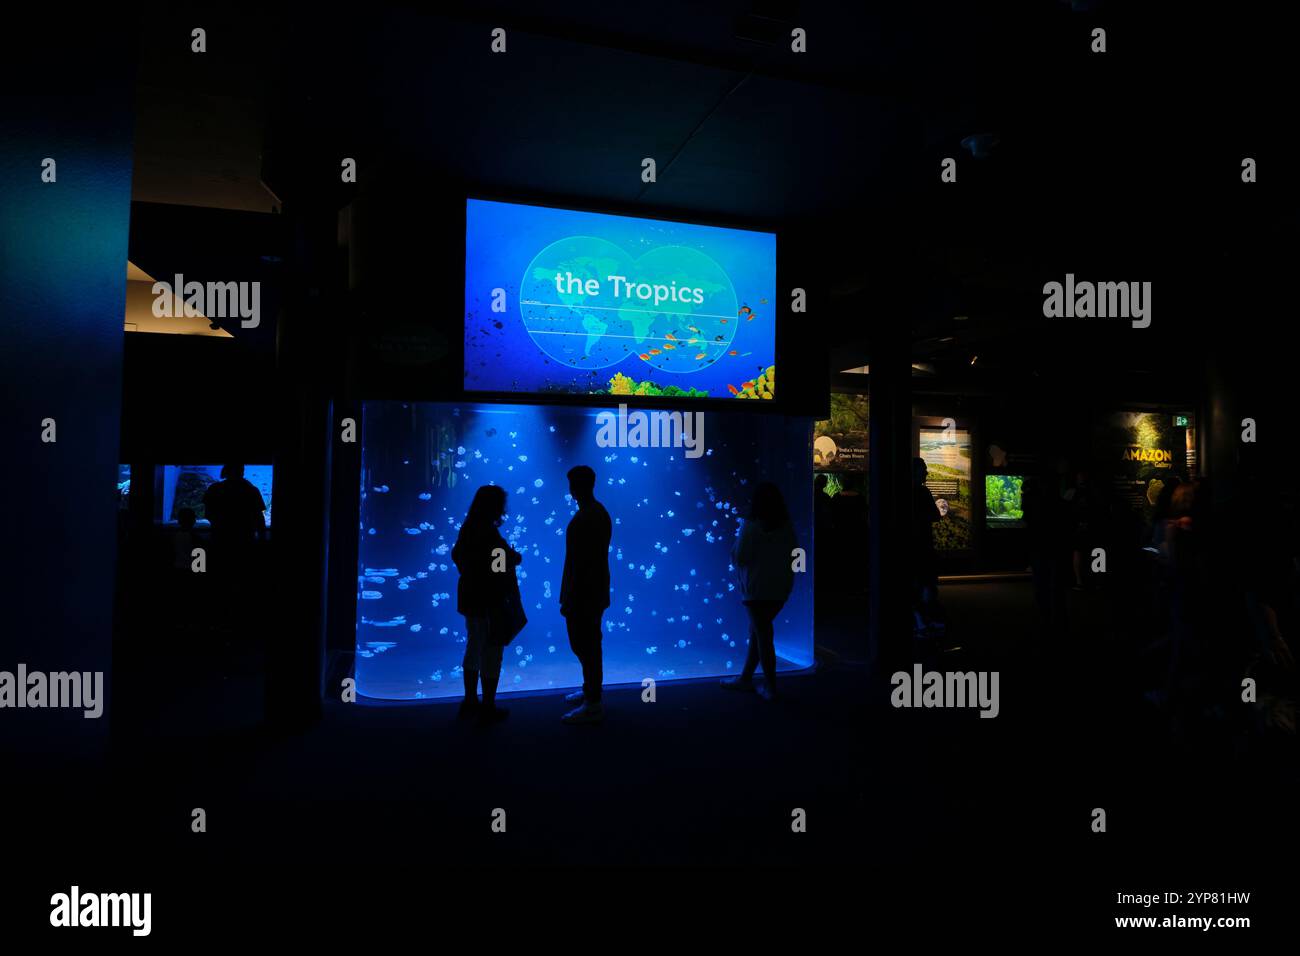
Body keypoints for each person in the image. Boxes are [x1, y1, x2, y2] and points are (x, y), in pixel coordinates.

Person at [721, 481, 798, 700]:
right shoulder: (786, 526)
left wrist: (735, 548)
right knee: (757, 632)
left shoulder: (751, 525)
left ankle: (771, 688)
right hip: (780, 588)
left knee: (763, 635)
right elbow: (794, 555)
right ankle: (745, 679)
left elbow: (741, 557)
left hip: (756, 588)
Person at [451, 485, 522, 723]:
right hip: (490, 599)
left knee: (474, 645)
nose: (504, 508)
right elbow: (499, 564)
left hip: (470, 595)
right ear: (494, 506)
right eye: (501, 504)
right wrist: (515, 558)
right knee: (492, 650)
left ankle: (470, 700)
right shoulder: (489, 533)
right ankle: (488, 705)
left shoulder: (468, 527)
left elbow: (456, 555)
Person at [559, 465, 612, 725]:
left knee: (585, 644)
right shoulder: (598, 512)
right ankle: (591, 690)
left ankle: (593, 703)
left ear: (575, 488)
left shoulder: (588, 517)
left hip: (584, 593)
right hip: (593, 589)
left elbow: (583, 563)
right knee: (588, 643)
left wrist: (570, 595)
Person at [910, 457, 942, 635]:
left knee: (916, 583)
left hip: (913, 545)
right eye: (923, 470)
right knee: (926, 583)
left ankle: (919, 619)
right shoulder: (923, 492)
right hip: (923, 545)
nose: (926, 473)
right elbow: (936, 515)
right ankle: (925, 618)